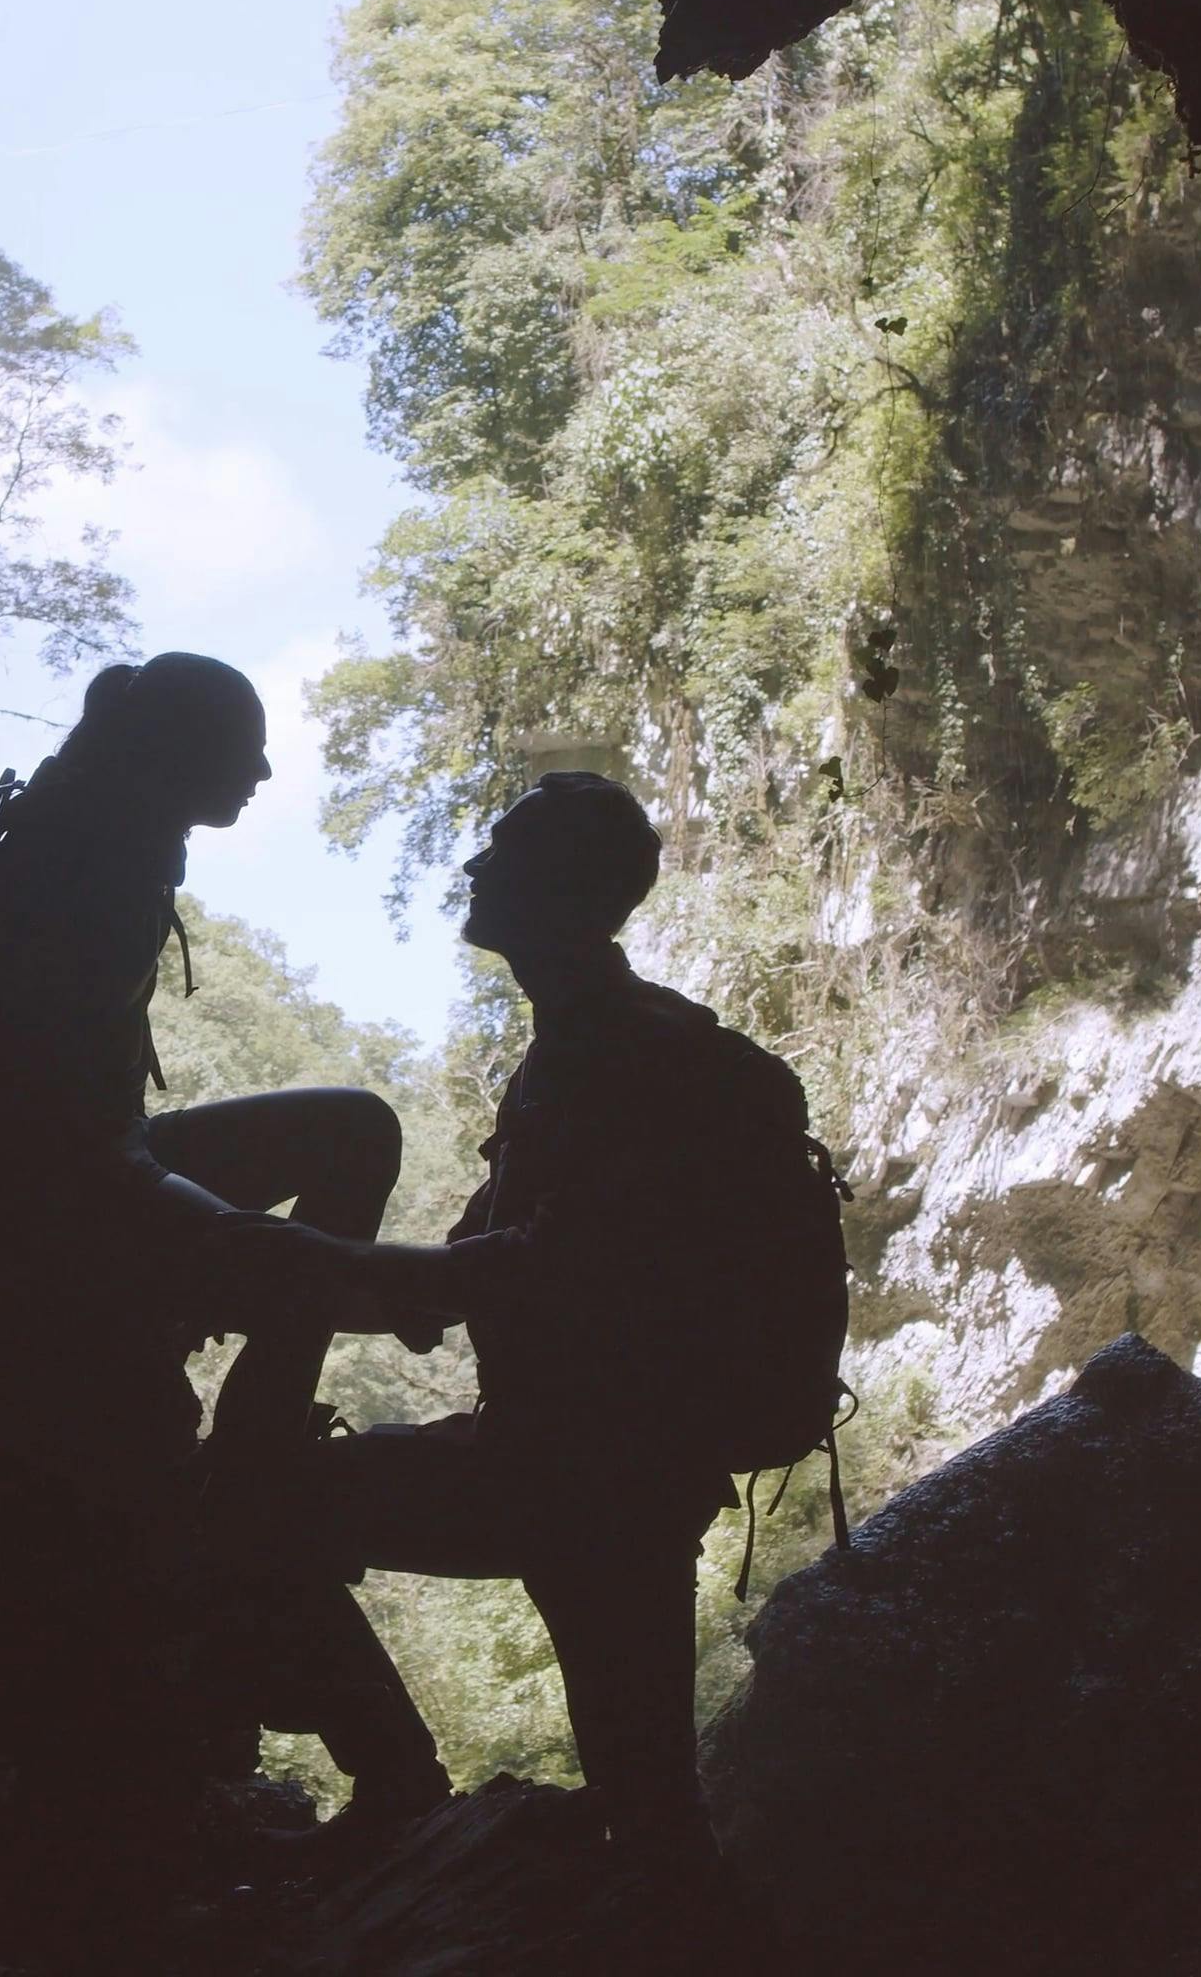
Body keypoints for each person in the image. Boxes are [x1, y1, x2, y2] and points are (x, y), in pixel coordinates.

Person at [0, 651, 451, 1809]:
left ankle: (255, 1434)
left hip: (72, 1188)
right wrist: (232, 1238)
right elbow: (61, 1143)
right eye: (242, 749)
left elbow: (84, 1126)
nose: (264, 771)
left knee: (351, 1135)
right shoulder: (79, 868)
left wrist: (224, 1235)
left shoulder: (90, 836)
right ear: (173, 754)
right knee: (335, 1174)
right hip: (45, 1229)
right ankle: (256, 1452)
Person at [218, 772, 769, 1868]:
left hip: (596, 1478)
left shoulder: (626, 1052)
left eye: (504, 850)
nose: (476, 865)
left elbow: (536, 1268)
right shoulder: (576, 1051)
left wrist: (318, 1259)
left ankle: (401, 1790)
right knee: (652, 1800)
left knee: (652, 1807)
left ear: (567, 887)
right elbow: (449, 1282)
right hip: (580, 1468)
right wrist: (282, 1282)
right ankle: (403, 1790)